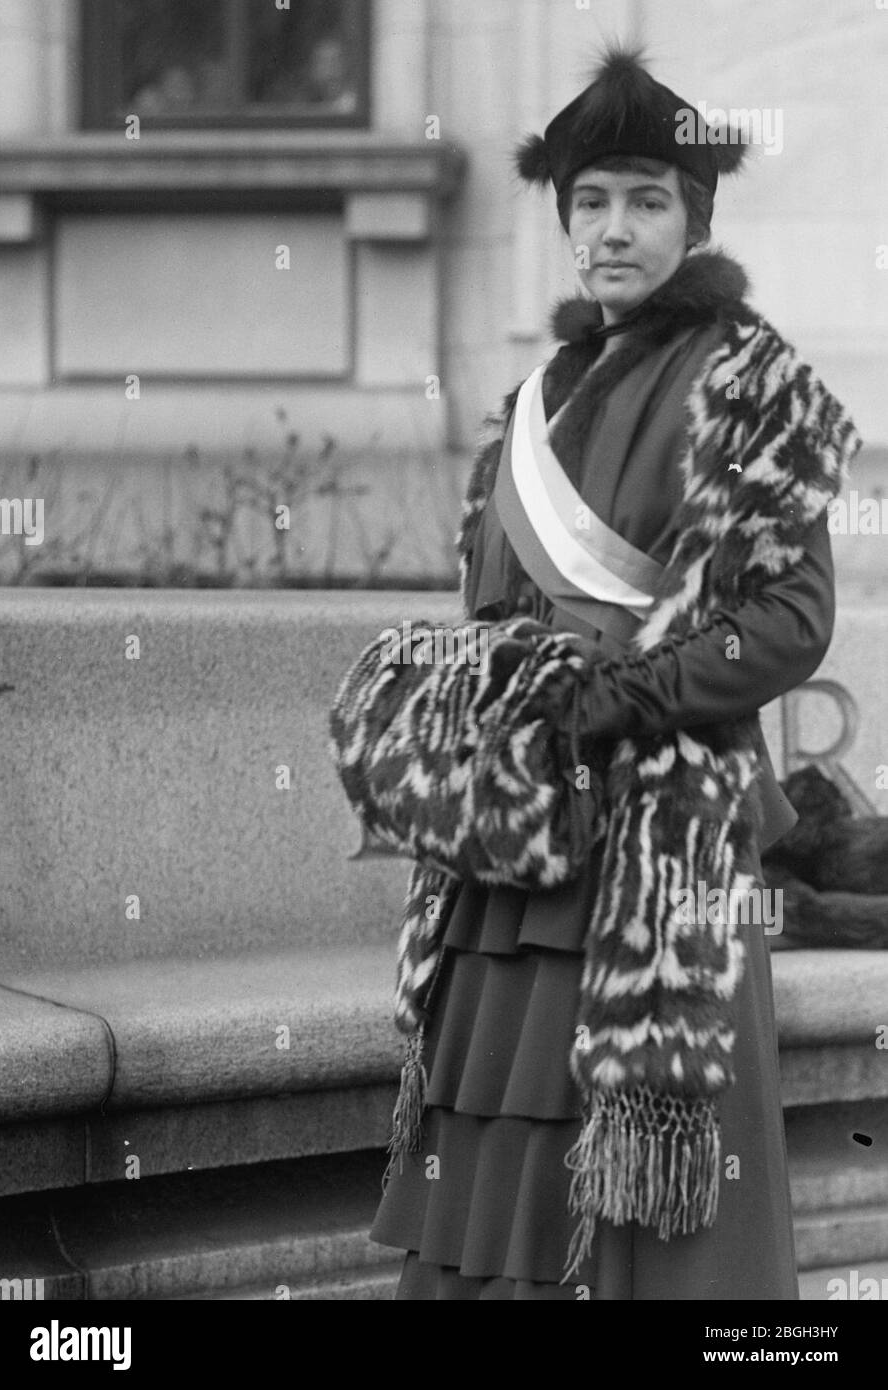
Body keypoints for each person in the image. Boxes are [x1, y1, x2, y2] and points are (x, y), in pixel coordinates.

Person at [368, 45, 861, 1300]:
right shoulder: (532, 399)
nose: (611, 227)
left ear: (692, 220)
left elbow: (792, 619)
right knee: (497, 1155)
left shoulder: (752, 385)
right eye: (588, 200)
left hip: (662, 848)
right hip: (516, 849)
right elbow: (489, 610)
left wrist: (613, 697)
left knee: (653, 1218)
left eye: (644, 198)